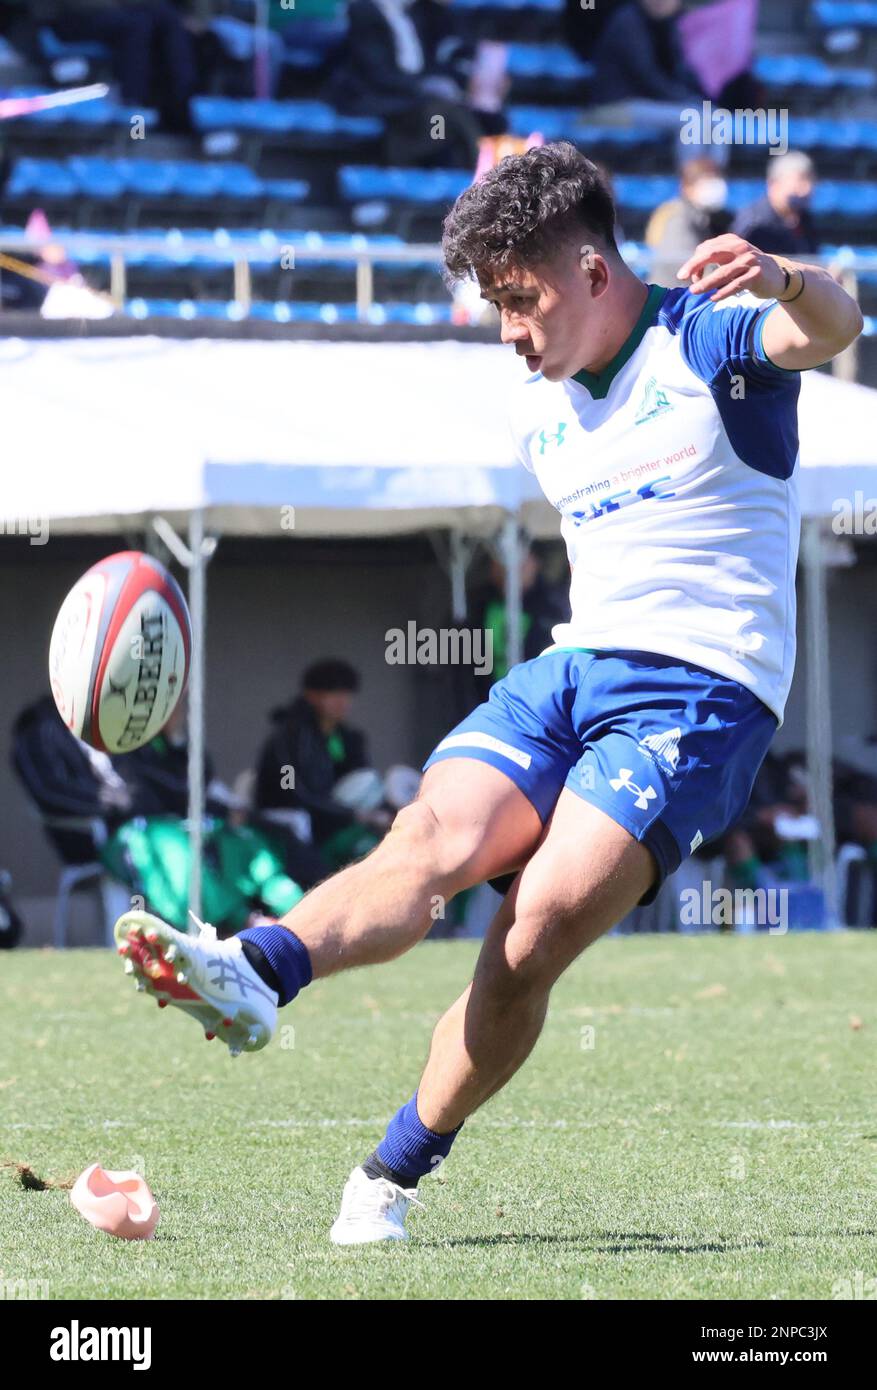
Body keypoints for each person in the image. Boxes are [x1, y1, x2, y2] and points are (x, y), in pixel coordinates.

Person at [114, 141, 862, 1244]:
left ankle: (389, 1172)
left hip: (700, 691)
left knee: (531, 927)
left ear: (596, 275)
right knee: (429, 837)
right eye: (494, 302)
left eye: (521, 298)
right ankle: (254, 970)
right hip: (573, 669)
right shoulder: (536, 400)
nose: (509, 329)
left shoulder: (710, 336)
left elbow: (830, 332)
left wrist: (788, 277)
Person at [644, 156, 730, 288]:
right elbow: (691, 267)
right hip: (672, 299)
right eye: (708, 181)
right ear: (687, 187)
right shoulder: (678, 218)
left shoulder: (709, 217)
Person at [732, 151, 820, 260]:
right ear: (774, 184)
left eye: (811, 181)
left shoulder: (805, 220)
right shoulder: (754, 224)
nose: (807, 189)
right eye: (801, 180)